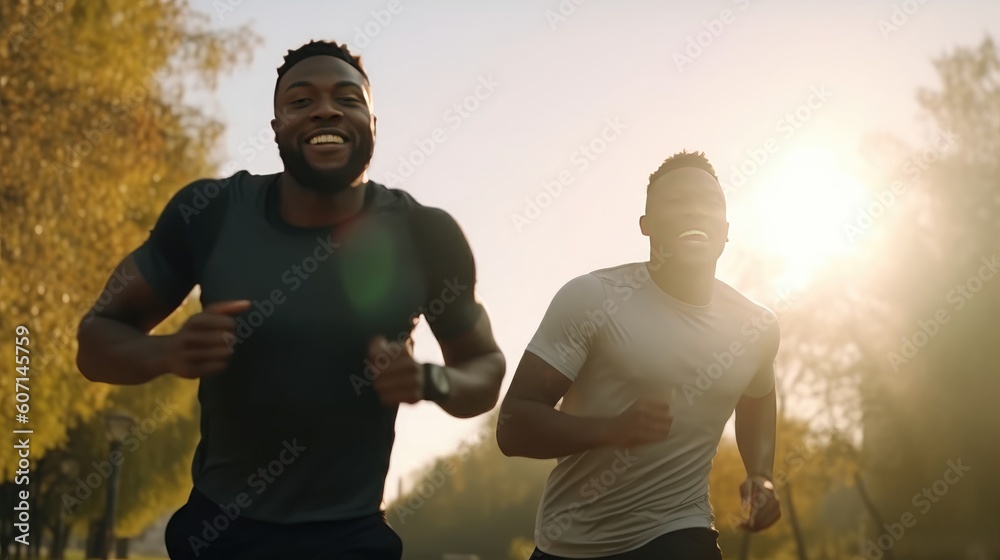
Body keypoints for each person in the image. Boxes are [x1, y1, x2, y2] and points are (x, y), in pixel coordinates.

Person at [76, 40, 505, 560]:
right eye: (301, 101)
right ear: (276, 127)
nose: (326, 109)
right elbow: (95, 342)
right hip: (219, 535)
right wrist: (167, 352)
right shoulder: (210, 212)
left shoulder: (426, 233)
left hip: (351, 539)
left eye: (347, 98)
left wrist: (429, 381)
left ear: (373, 123)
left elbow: (485, 370)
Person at [496, 150, 780, 559]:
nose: (695, 211)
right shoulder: (593, 299)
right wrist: (612, 429)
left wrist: (761, 474)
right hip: (571, 544)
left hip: (681, 529)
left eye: (709, 202)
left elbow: (757, 398)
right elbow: (513, 425)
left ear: (726, 230)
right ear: (646, 226)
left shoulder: (755, 327)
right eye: (677, 201)